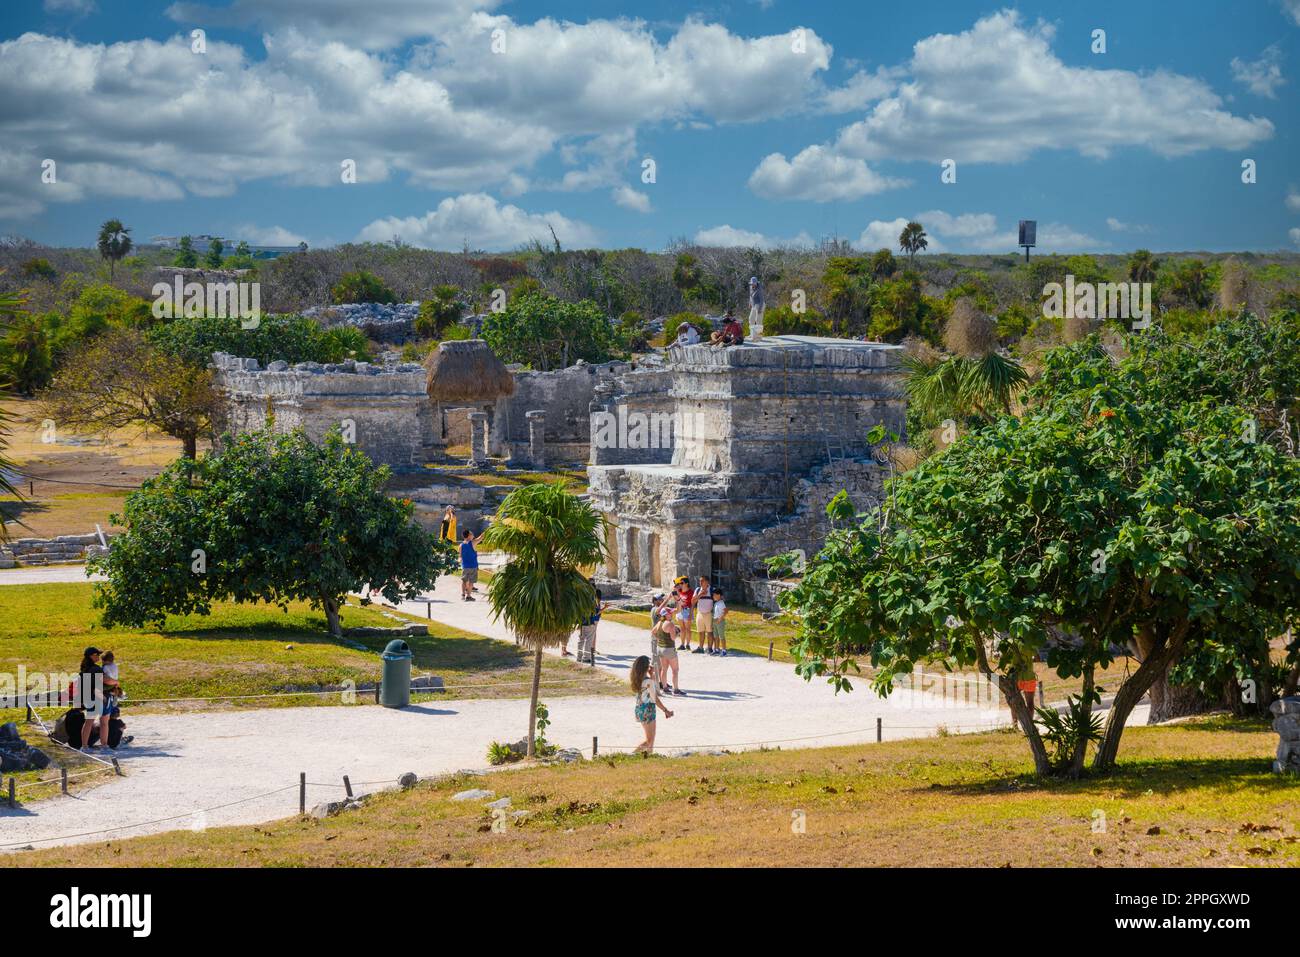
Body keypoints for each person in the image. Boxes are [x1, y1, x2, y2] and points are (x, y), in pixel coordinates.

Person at [630, 654, 673, 754]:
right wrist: (665, 710)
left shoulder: (638, 680)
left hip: (640, 709)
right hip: (648, 710)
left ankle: (648, 758)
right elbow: (655, 698)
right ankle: (632, 755)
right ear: (646, 667)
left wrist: (652, 675)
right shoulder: (648, 681)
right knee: (650, 740)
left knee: (649, 739)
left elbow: (649, 690)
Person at [75, 647, 109, 750]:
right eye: (97, 654)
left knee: (88, 722)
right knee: (104, 722)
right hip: (96, 697)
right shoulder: (96, 669)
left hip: (87, 698)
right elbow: (102, 683)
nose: (98, 656)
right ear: (91, 656)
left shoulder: (84, 669)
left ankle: (84, 746)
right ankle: (104, 745)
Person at [651, 596, 682, 695]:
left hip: (660, 648)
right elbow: (673, 638)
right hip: (669, 649)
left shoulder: (660, 622)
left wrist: (659, 638)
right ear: (667, 615)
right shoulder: (670, 624)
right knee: (675, 670)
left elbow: (653, 631)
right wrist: (678, 633)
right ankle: (676, 689)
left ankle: (664, 687)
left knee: (664, 669)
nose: (672, 614)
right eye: (670, 613)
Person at [576, 587, 609, 664]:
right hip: (589, 623)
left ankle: (579, 657)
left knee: (581, 640)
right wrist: (605, 607)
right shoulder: (592, 602)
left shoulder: (582, 601)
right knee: (589, 641)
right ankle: (586, 658)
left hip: (582, 624)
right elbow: (596, 613)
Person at [693, 575, 715, 654]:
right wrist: (700, 595)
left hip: (709, 614)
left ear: (707, 582)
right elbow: (692, 602)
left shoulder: (712, 590)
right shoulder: (698, 590)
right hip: (700, 613)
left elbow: (718, 599)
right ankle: (701, 648)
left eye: (702, 581)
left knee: (710, 631)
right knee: (700, 631)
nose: (700, 582)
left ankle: (709, 648)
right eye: (700, 581)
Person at [672, 576, 694, 651]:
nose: (680, 584)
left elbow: (691, 604)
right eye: (680, 583)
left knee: (688, 629)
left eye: (682, 583)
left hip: (687, 610)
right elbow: (677, 600)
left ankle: (688, 644)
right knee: (682, 628)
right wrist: (675, 592)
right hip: (680, 610)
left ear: (686, 583)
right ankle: (682, 644)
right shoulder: (679, 590)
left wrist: (690, 614)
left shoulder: (691, 592)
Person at [459, 528, 482, 601]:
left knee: (464, 581)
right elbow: (481, 537)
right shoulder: (472, 542)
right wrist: (488, 530)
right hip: (473, 566)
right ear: (469, 535)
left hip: (465, 566)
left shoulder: (461, 545)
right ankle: (468, 596)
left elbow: (460, 556)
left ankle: (463, 595)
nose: (473, 535)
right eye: (472, 534)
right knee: (471, 582)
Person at [101, 650, 123, 719]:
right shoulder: (115, 666)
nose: (102, 662)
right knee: (113, 700)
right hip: (114, 684)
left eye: (103, 661)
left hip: (109, 684)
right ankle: (115, 695)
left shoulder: (105, 667)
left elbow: (106, 677)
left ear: (106, 660)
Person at [712, 587, 728, 657]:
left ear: (718, 595)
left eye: (714, 595)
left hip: (720, 622)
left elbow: (726, 611)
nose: (713, 596)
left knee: (721, 636)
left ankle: (724, 650)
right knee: (716, 636)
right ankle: (717, 649)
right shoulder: (716, 603)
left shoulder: (721, 603)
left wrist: (720, 619)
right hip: (715, 621)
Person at [747, 276, 765, 341]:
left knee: (758, 320)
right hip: (754, 305)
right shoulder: (751, 287)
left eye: (754, 283)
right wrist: (750, 303)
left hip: (760, 305)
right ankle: (752, 334)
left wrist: (760, 309)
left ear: (756, 283)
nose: (753, 284)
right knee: (751, 318)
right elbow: (750, 295)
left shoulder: (759, 289)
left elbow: (762, 300)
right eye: (752, 283)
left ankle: (759, 335)